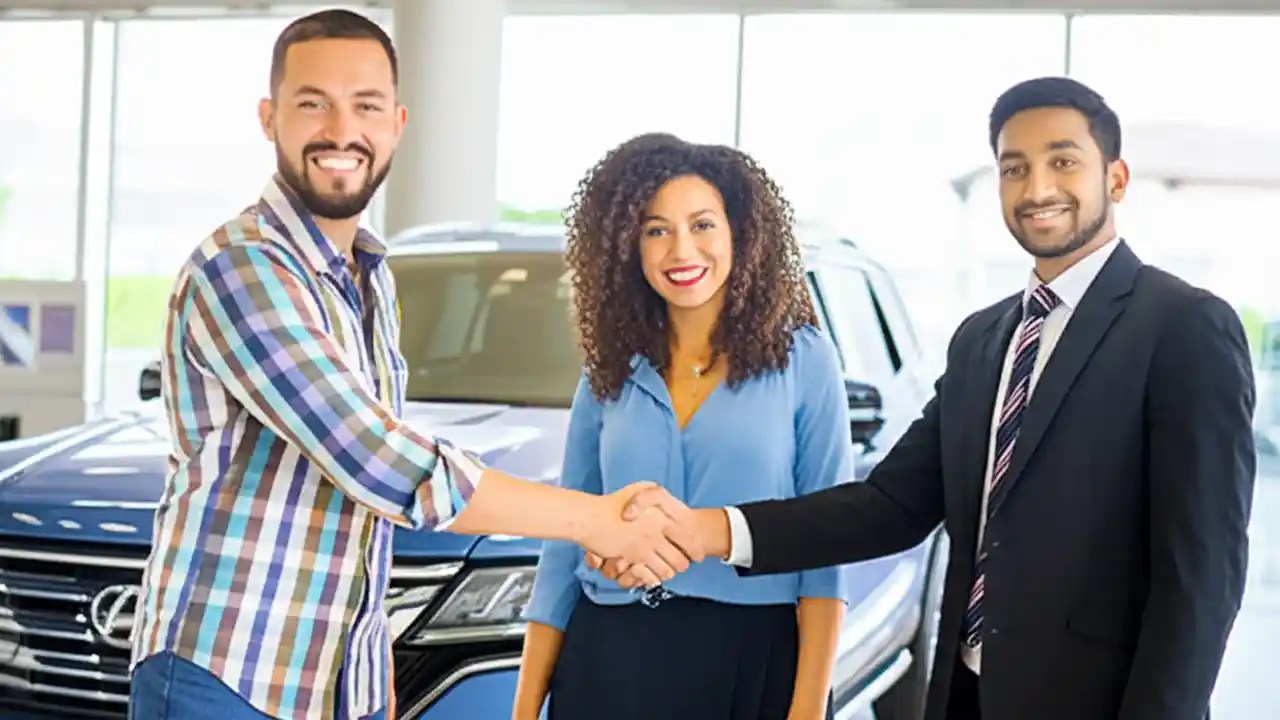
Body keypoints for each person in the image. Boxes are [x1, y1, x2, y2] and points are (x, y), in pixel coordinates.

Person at [604, 77, 1257, 720]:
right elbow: (890, 505)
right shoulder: (983, 339)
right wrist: (707, 529)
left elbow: (1199, 577)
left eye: (1063, 161)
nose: (1037, 188)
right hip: (968, 693)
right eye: (1013, 167)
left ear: (1115, 178)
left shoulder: (1183, 326)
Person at [128, 11, 702, 720]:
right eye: (314, 104)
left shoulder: (369, 275)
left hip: (339, 679)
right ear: (269, 117)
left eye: (365, 106)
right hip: (227, 672)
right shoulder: (242, 267)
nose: (342, 130)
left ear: (396, 123)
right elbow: (379, 460)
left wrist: (370, 681)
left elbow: (358, 512)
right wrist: (598, 522)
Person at [511, 133, 851, 720]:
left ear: (740, 234)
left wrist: (808, 711)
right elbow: (563, 551)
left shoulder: (804, 359)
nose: (680, 250)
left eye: (702, 225)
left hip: (749, 656)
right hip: (609, 657)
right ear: (628, 248)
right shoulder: (610, 372)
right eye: (655, 230)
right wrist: (524, 709)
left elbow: (827, 554)